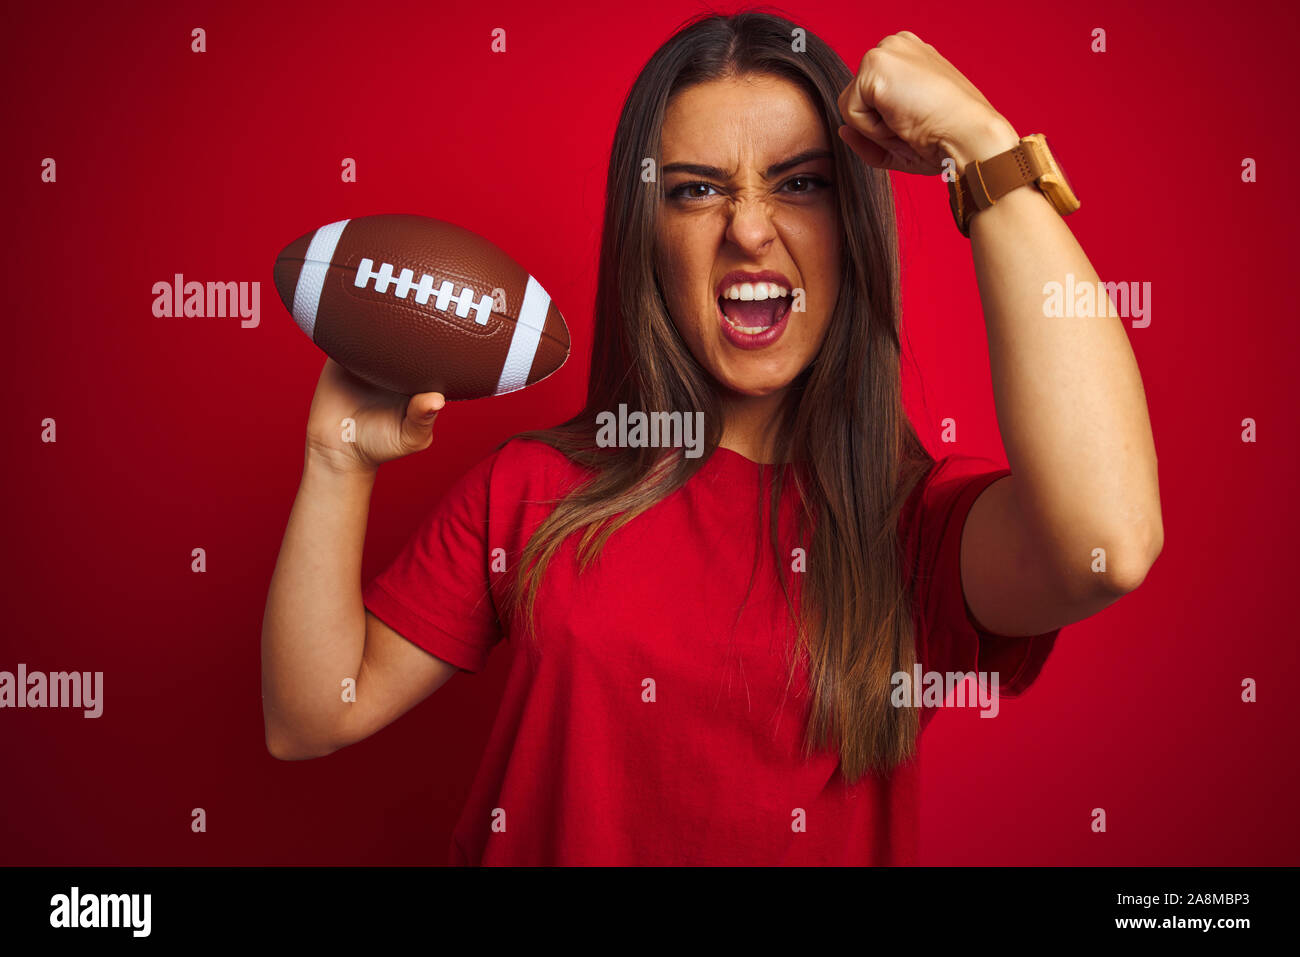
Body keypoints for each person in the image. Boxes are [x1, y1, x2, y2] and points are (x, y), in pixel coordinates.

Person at [261, 11, 1162, 865]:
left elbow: (1107, 545)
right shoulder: (533, 490)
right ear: (646, 235)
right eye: (696, 191)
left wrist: (984, 148)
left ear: (853, 228)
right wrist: (336, 461)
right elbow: (307, 715)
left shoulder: (913, 527)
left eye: (800, 183)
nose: (750, 227)